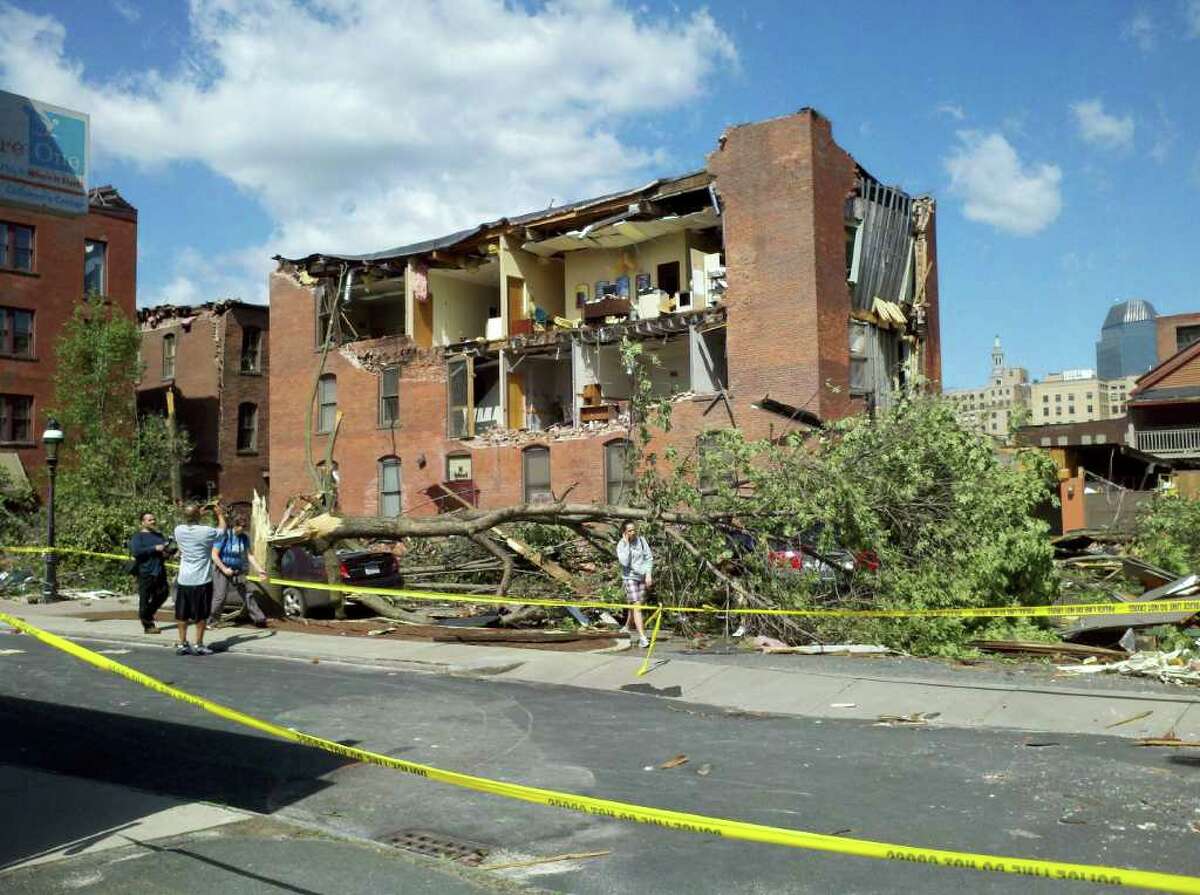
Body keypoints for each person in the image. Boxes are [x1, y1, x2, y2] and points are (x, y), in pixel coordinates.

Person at [172, 500, 226, 656]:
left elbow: (190, 518)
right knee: (201, 615)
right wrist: (219, 514)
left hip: (184, 579)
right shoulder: (206, 531)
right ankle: (199, 644)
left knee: (182, 614)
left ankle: (182, 644)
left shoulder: (179, 530)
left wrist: (198, 512)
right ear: (199, 515)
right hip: (201, 580)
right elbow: (222, 530)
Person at [208, 513, 269, 628]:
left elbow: (249, 556)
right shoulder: (224, 536)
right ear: (234, 526)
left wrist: (260, 570)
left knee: (247, 594)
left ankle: (259, 619)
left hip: (237, 570)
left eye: (245, 526)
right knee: (220, 597)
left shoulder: (244, 538)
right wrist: (224, 569)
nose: (244, 529)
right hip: (221, 568)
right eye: (242, 526)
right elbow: (214, 555)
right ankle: (212, 620)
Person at [129, 511, 171, 634]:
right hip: (145, 571)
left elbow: (163, 552)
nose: (153, 521)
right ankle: (148, 625)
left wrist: (169, 553)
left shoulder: (159, 535)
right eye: (149, 520)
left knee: (163, 594)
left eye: (153, 519)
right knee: (145, 598)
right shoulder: (138, 536)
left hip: (159, 570)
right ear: (142, 522)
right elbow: (136, 552)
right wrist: (154, 548)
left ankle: (147, 614)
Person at [616, 521, 653, 648]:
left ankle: (627, 626)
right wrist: (626, 544)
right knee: (637, 606)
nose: (633, 532)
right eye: (629, 531)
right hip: (629, 577)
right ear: (624, 533)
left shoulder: (642, 541)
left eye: (633, 530)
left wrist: (648, 575)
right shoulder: (621, 545)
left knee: (635, 604)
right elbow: (625, 562)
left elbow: (648, 558)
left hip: (642, 577)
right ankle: (642, 637)